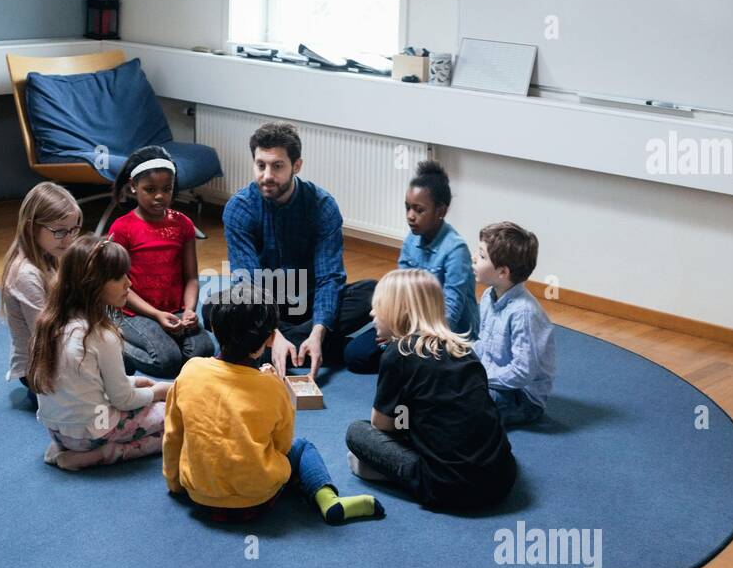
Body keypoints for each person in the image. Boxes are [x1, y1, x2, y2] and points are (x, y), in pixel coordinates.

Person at [164, 284, 384, 524]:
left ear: (214, 328)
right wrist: (272, 384)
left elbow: (173, 434)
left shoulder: (190, 371)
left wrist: (175, 483)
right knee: (302, 448)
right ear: (270, 339)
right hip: (258, 499)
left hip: (200, 495)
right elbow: (282, 445)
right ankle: (328, 499)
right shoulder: (273, 388)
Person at [215, 121, 375, 379]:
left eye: (277, 166)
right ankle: (310, 346)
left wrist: (318, 330)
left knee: (372, 293)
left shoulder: (322, 206)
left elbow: (329, 277)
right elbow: (247, 281)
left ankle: (290, 345)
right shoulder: (239, 208)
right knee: (216, 305)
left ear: (296, 166)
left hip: (309, 302)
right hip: (264, 303)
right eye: (260, 165)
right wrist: (273, 332)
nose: (267, 175)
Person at [345, 269, 516, 511]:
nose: (372, 313)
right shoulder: (464, 349)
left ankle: (410, 477)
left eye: (378, 307)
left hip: (448, 487)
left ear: (399, 311)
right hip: (501, 479)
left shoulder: (399, 353)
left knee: (356, 433)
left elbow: (380, 425)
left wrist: (406, 420)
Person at [30, 235, 171, 471]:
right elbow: (123, 400)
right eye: (118, 278)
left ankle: (71, 449)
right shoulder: (100, 334)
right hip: (95, 431)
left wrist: (134, 381)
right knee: (179, 417)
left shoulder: (50, 323)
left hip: (58, 431)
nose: (129, 283)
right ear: (91, 284)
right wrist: (158, 392)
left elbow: (86, 380)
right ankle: (105, 453)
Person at [344, 159, 476, 373]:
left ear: (440, 211)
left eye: (419, 210)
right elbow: (399, 293)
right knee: (354, 355)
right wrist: (391, 327)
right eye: (407, 208)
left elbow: (451, 314)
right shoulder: (410, 240)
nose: (410, 216)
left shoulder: (456, 250)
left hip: (444, 333)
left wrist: (409, 339)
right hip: (410, 325)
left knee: (408, 364)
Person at [107, 145, 214, 378]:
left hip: (174, 309)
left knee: (204, 351)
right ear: (133, 187)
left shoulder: (183, 224)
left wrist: (188, 311)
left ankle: (165, 333)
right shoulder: (122, 228)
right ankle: (111, 344)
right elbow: (117, 286)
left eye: (167, 189)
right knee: (167, 361)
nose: (159, 196)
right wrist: (156, 315)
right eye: (150, 189)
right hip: (134, 312)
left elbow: (192, 278)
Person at [0, 182, 82, 408]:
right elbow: (47, 336)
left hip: (62, 350)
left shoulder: (53, 253)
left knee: (119, 359)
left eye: (74, 229)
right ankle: (46, 396)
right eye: (60, 231)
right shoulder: (26, 274)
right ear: (30, 228)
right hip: (40, 368)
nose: (68, 239)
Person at [473, 221, 556, 426]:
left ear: (503, 272)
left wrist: (476, 378)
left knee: (459, 404)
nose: (474, 257)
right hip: (492, 380)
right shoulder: (487, 296)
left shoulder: (524, 313)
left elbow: (521, 373)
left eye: (482, 256)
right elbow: (482, 344)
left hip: (521, 397)